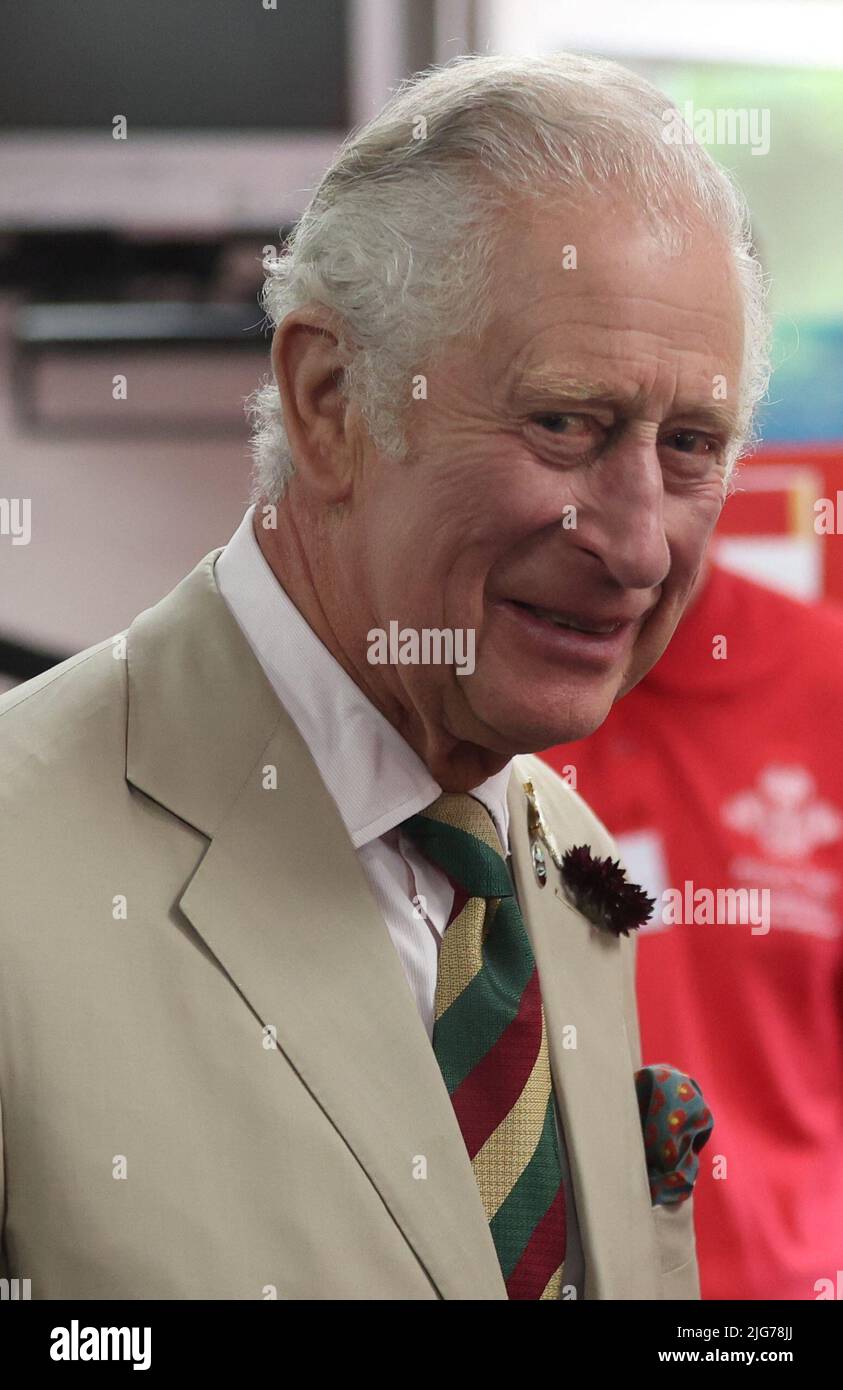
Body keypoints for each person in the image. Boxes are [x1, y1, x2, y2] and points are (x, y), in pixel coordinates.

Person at [0, 52, 767, 1300]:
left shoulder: (553, 852)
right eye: (567, 422)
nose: (637, 544)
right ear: (330, 401)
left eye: (689, 446)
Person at [541, 554, 843, 1300]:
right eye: (566, 430)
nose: (634, 510)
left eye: (683, 446)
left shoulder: (822, 678)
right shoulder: (457, 691)